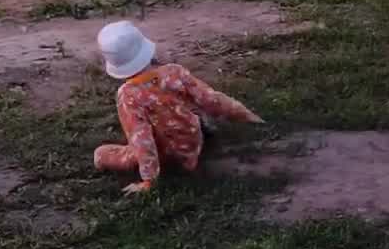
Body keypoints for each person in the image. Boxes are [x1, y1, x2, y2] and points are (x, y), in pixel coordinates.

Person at [92, 21, 264, 196]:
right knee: (191, 107)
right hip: (193, 140)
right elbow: (211, 99)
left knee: (101, 153)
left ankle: (105, 161)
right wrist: (246, 115)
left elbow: (142, 139)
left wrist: (149, 180)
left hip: (167, 156)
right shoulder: (175, 72)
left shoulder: (128, 96)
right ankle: (202, 132)